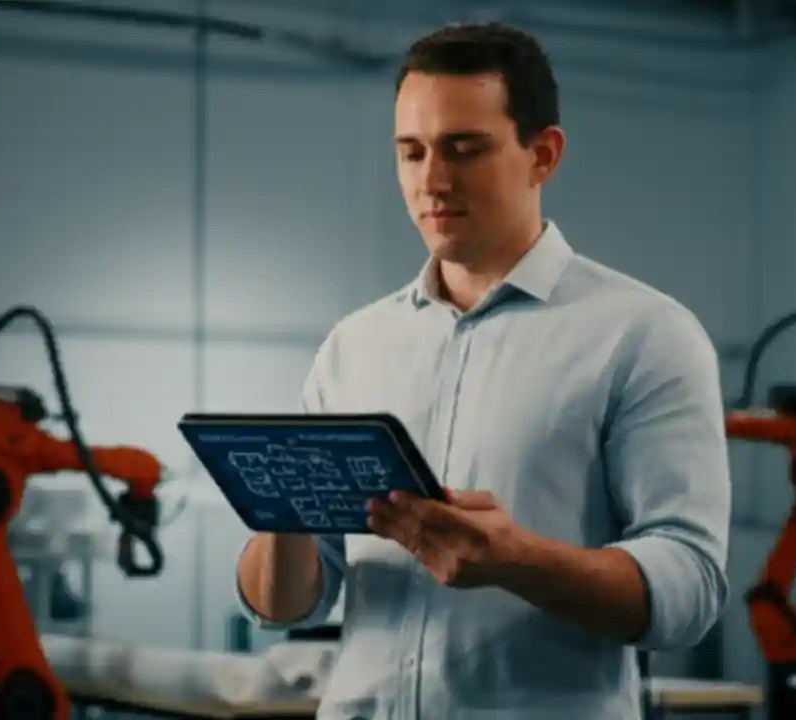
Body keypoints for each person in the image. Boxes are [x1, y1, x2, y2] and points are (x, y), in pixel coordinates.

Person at [235, 21, 730, 720]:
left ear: (543, 154)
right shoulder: (355, 345)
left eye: (465, 150)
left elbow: (692, 590)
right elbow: (286, 603)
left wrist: (516, 560)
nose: (432, 181)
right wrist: (279, 508)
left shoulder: (643, 335)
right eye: (411, 153)